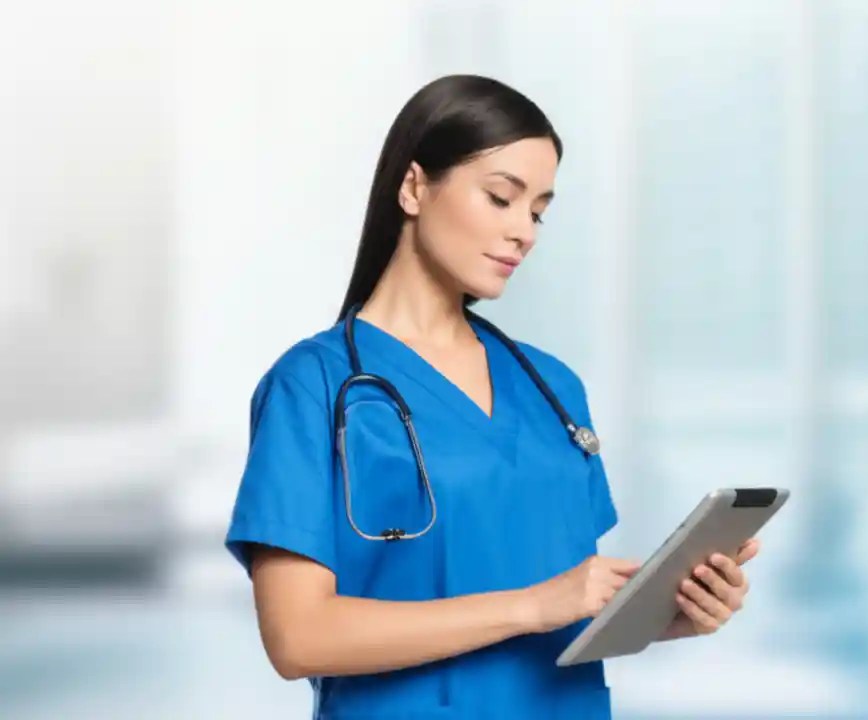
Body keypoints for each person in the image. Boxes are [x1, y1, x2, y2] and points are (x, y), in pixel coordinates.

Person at [224, 74, 761, 719]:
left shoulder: (550, 387)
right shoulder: (313, 384)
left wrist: (667, 613)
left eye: (537, 212)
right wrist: (533, 605)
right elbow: (298, 638)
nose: (524, 232)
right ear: (414, 186)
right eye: (501, 198)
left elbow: (564, 615)